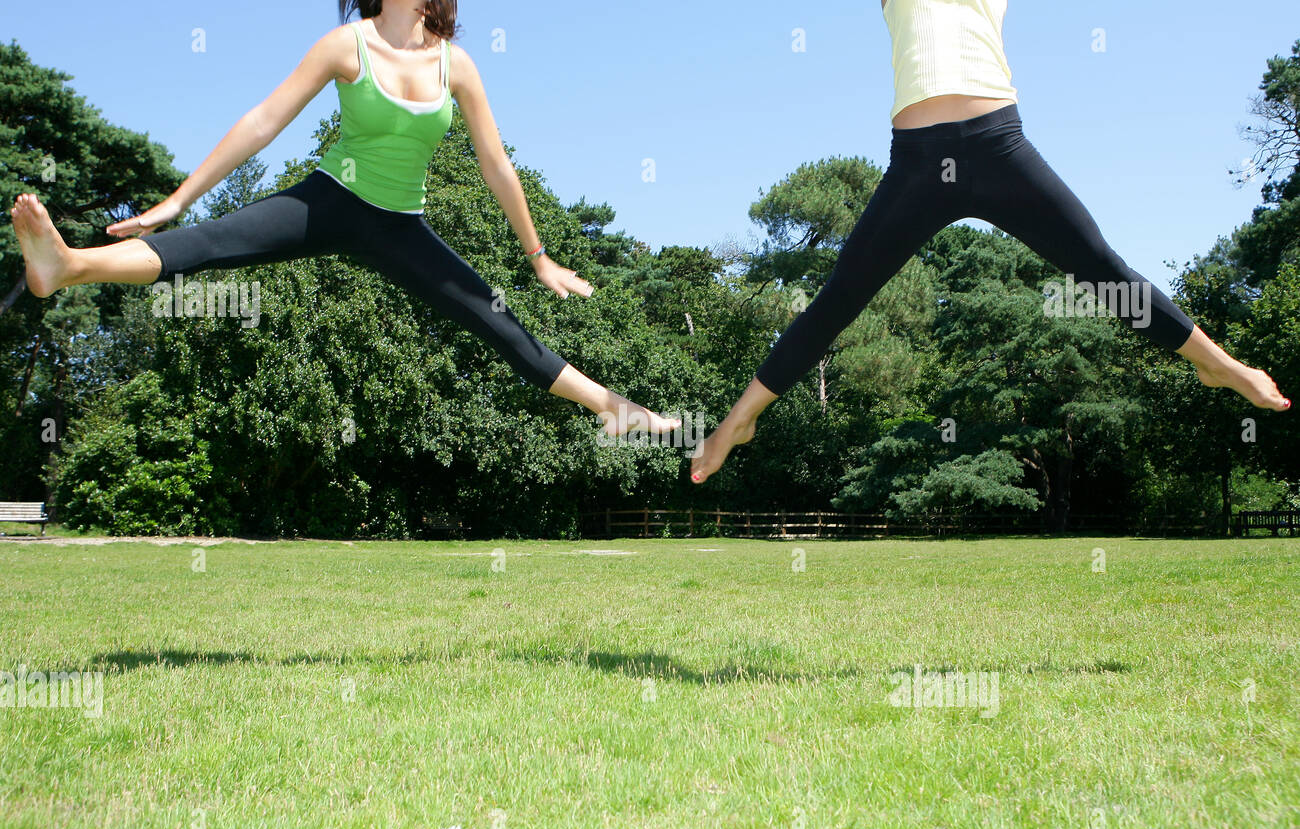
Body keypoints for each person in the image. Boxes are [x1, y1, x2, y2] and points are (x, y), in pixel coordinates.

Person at [10, 0, 679, 440]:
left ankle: (613, 409)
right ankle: (66, 266)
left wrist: (538, 256)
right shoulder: (345, 45)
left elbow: (495, 163)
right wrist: (178, 199)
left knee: (493, 318)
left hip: (398, 226)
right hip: (330, 202)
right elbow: (263, 121)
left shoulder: (457, 64)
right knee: (209, 244)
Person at [690, 0, 1289, 484]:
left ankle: (1219, 366)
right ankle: (739, 421)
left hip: (999, 147)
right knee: (838, 298)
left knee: (1101, 268)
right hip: (918, 163)